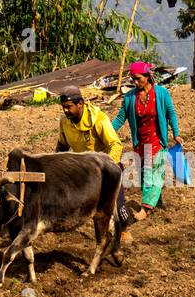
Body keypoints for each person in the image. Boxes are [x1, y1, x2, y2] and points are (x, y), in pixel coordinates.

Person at [55, 85, 142, 226]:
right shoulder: (65, 122)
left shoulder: (98, 119)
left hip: (106, 167)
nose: (65, 110)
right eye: (63, 107)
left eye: (69, 107)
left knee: (117, 208)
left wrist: (107, 167)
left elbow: (115, 144)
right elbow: (62, 146)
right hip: (84, 169)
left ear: (80, 104)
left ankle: (125, 228)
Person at [111, 62, 182, 216]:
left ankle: (146, 209)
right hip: (140, 143)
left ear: (147, 76)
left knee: (153, 172)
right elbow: (120, 118)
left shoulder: (161, 93)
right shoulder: (130, 97)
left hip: (157, 140)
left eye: (138, 79)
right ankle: (157, 202)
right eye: (133, 80)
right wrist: (106, 132)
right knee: (144, 174)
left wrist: (176, 133)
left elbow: (171, 113)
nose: (135, 82)